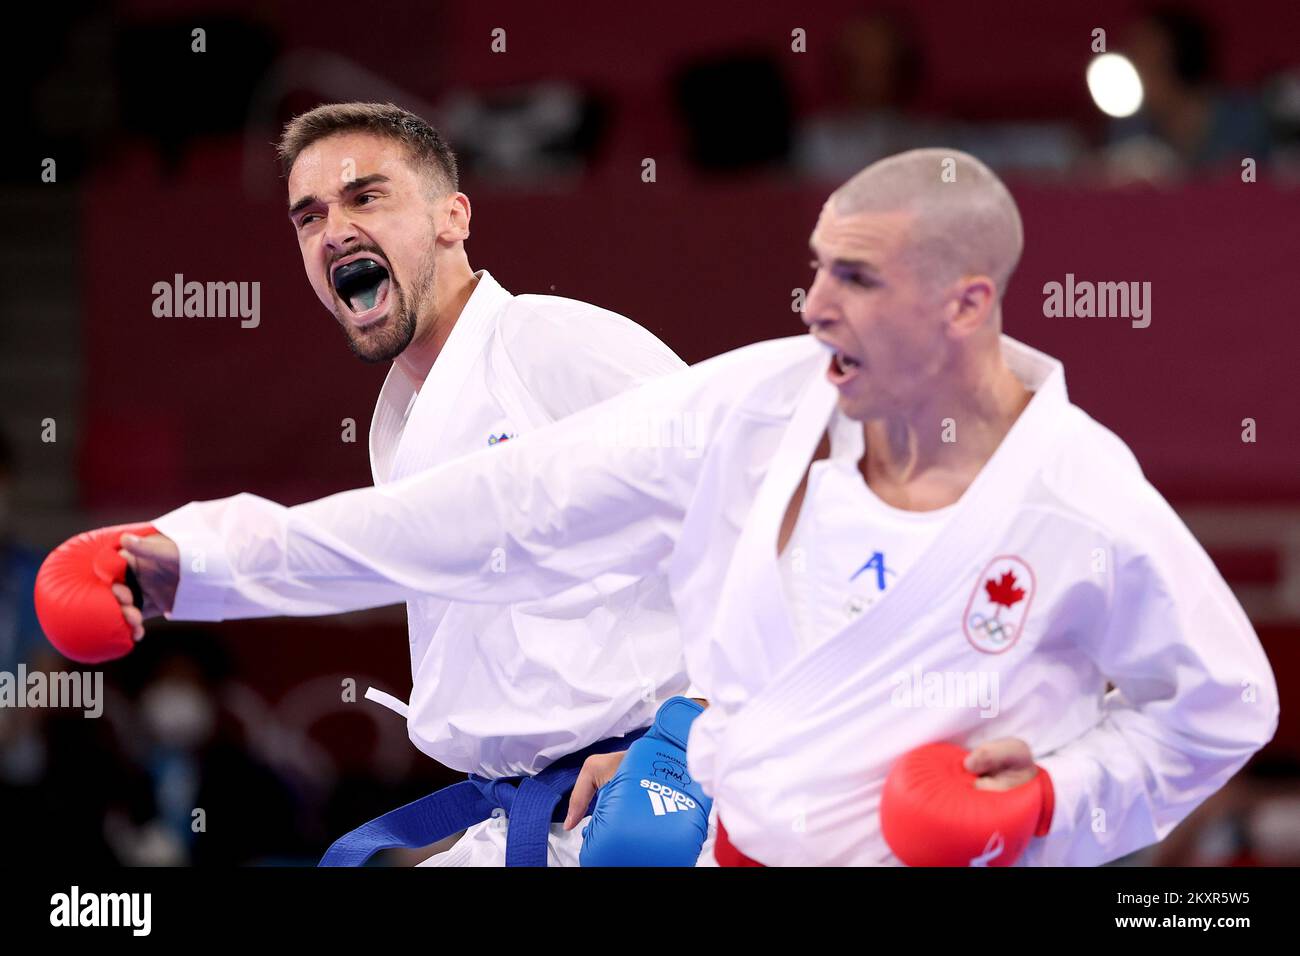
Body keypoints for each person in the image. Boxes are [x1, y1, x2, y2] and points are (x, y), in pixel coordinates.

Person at [111, 147, 1276, 865]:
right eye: (818, 269)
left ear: (965, 306)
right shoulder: (752, 407)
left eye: (857, 280)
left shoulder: (1080, 497)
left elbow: (1223, 707)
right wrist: (204, 554)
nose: (816, 305)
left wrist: (1055, 797)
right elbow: (491, 511)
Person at [124, 101, 703, 866]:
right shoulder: (396, 424)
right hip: (519, 817)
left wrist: (691, 733)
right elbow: (375, 557)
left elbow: (767, 522)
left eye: (366, 197)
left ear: (451, 218)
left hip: (653, 804)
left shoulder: (554, 344)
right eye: (308, 216)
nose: (333, 231)